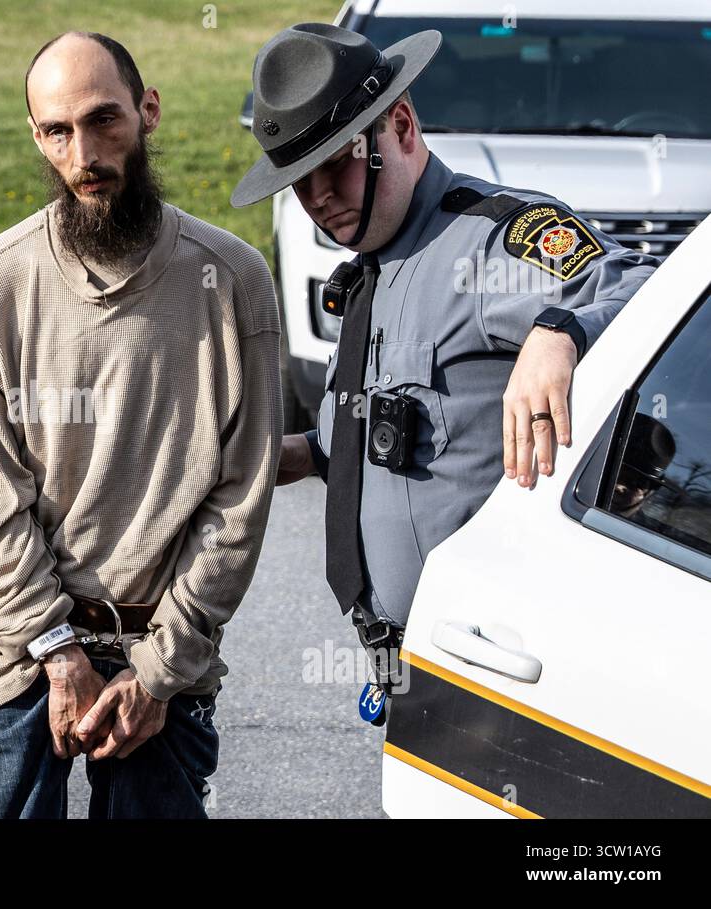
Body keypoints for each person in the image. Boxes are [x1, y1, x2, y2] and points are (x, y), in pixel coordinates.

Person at [233, 24, 657, 697]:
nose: (317, 196)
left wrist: (560, 331)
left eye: (335, 163)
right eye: (298, 179)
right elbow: (386, 436)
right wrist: (293, 454)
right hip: (409, 668)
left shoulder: (492, 240)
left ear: (400, 126)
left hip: (495, 667)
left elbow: (652, 292)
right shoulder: (372, 267)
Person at [0, 32, 280, 819]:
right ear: (36, 137)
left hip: (167, 658)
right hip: (16, 652)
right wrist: (57, 650)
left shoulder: (233, 281)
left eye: (104, 121)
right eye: (58, 131)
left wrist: (159, 672)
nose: (84, 154)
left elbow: (239, 502)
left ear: (148, 110)